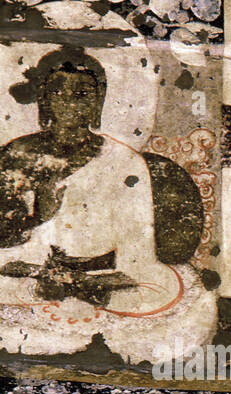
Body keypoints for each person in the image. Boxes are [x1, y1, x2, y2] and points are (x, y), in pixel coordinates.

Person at [0, 48, 184, 318]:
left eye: (83, 95)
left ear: (99, 103)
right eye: (58, 92)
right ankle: (51, 292)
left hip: (100, 274)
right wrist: (40, 218)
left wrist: (83, 282)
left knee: (162, 287)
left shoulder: (126, 162)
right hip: (29, 271)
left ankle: (76, 292)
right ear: (43, 99)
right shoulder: (15, 156)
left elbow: (138, 260)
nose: (69, 104)